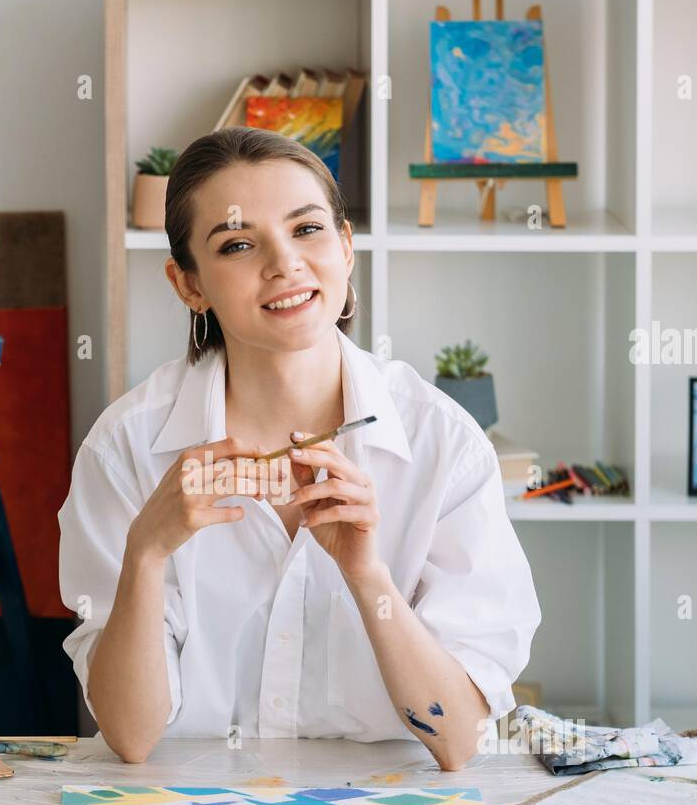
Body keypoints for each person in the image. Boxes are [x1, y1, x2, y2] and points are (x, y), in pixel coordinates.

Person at [58, 126, 540, 769]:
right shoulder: (123, 450)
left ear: (345, 247)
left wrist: (369, 578)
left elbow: (457, 741)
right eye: (236, 244)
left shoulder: (443, 445)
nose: (284, 263)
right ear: (189, 285)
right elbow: (131, 735)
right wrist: (146, 552)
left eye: (307, 230)